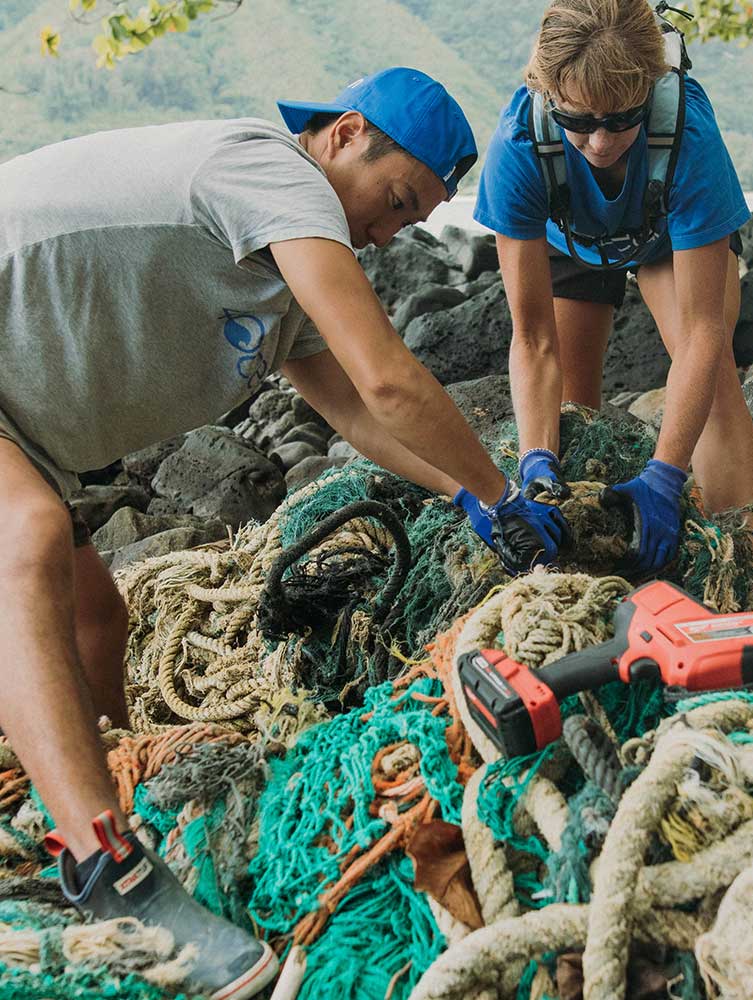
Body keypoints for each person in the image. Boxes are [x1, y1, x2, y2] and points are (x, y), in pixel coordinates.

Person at [0, 66, 564, 1000]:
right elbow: (388, 379)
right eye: (395, 201)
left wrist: (473, 502)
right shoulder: (271, 173)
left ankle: (94, 803)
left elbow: (357, 415)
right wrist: (499, 485)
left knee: (97, 621)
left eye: (411, 223)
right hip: (21, 428)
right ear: (344, 135)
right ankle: (112, 869)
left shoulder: (283, 277)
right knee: (24, 535)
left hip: (33, 430)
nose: (387, 235)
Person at [474, 0, 753, 578]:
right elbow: (533, 340)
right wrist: (534, 458)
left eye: (621, 119)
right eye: (579, 122)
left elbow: (702, 334)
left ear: (649, 89)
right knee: (572, 412)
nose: (601, 143)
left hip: (665, 234)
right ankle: (581, 567)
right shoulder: (522, 143)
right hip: (569, 233)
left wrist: (666, 474)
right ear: (549, 95)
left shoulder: (688, 133)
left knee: (715, 382)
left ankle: (742, 567)